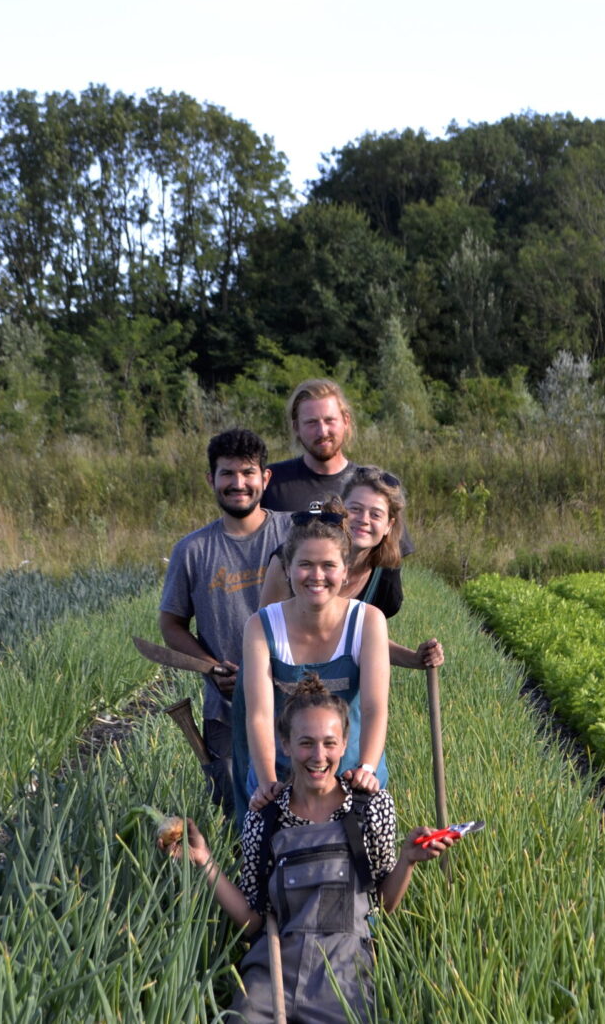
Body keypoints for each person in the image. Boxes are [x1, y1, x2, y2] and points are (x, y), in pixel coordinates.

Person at [159, 675, 459, 1024]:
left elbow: (383, 904)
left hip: (345, 974)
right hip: (273, 970)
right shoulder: (267, 816)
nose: (319, 756)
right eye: (306, 743)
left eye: (330, 743)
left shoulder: (370, 807)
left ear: (346, 743)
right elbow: (253, 920)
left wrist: (407, 858)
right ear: (284, 744)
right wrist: (204, 860)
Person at [159, 428, 291, 819]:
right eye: (227, 474)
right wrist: (212, 669)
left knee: (302, 805)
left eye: (248, 473)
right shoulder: (192, 551)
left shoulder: (294, 533)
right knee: (239, 813)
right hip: (226, 708)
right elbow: (171, 624)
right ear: (211, 480)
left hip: (295, 699)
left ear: (265, 478)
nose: (238, 484)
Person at [241, 505, 389, 810]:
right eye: (305, 564)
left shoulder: (368, 621)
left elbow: (375, 708)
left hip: (350, 771)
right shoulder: (261, 625)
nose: (317, 576)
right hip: (282, 772)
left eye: (328, 565)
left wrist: (367, 769)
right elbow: (259, 714)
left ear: (345, 571)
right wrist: (269, 782)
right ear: (287, 569)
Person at [260, 465, 443, 671]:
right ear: (340, 510)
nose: (364, 520)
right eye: (355, 509)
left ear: (388, 526)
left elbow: (366, 639)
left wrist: (415, 659)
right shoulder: (290, 560)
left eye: (375, 515)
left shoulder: (384, 579)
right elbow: (265, 636)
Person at [260, 379, 413, 557]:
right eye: (311, 422)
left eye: (329, 420)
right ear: (296, 427)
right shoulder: (270, 482)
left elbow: (391, 558)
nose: (322, 431)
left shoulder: (373, 486)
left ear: (345, 421)